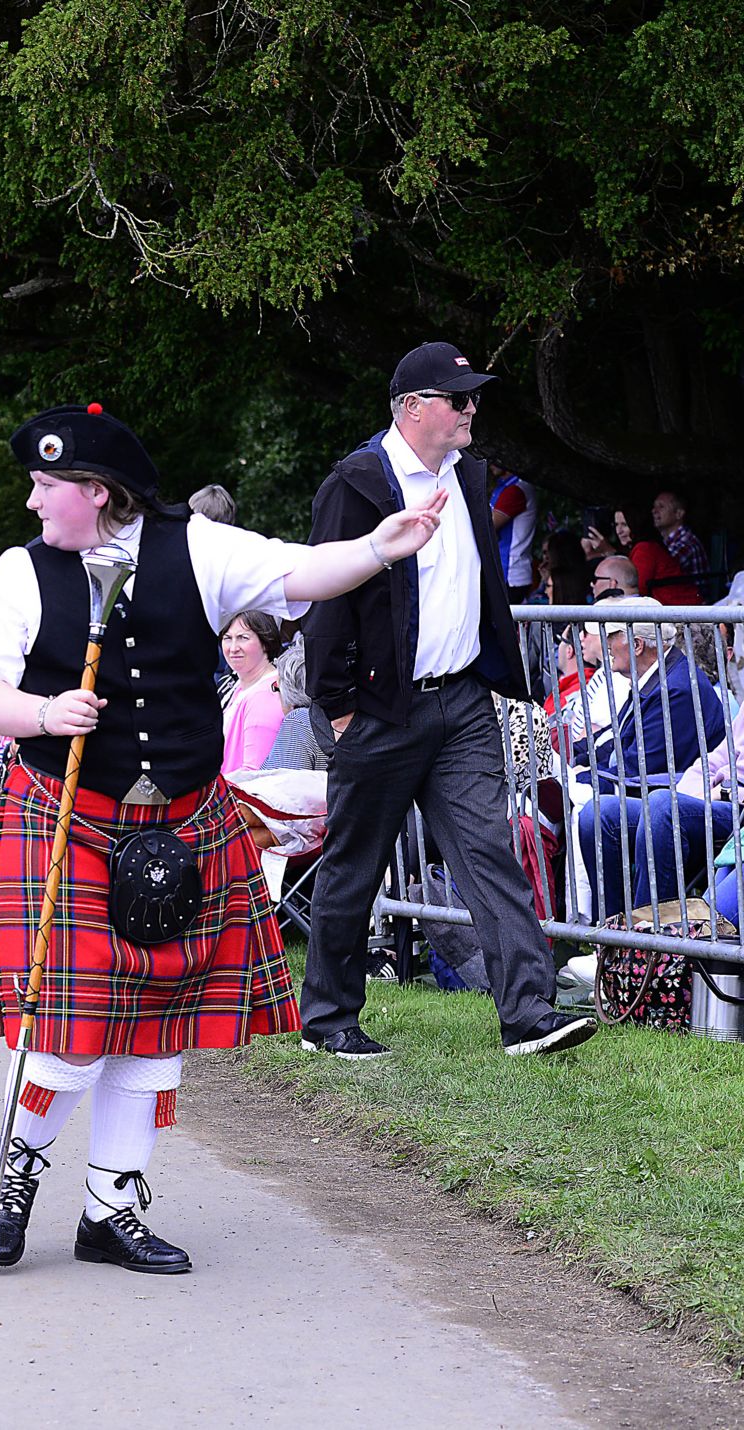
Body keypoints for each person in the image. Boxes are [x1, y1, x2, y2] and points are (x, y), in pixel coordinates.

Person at [0, 400, 449, 1272]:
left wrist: (380, 547)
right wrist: (40, 710)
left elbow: (300, 572)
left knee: (159, 1024)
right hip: (69, 814)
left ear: (96, 492)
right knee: (72, 1030)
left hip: (182, 820)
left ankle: (110, 1209)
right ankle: (18, 1170)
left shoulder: (199, 548)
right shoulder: (20, 575)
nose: (30, 502)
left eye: (44, 486)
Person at [302, 342, 596, 1060]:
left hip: (461, 699)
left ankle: (529, 1015)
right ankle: (328, 1019)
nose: (472, 409)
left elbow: (478, 584)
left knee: (491, 851)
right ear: (413, 408)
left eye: (472, 397)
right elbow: (324, 594)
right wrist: (338, 706)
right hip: (376, 710)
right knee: (356, 862)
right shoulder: (357, 482)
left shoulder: (470, 474)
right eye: (457, 398)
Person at [572, 596, 727, 917]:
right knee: (596, 814)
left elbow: (639, 765)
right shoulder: (656, 677)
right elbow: (619, 745)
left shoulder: (678, 688)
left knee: (657, 807)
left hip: (698, 806)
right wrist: (577, 762)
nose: (604, 645)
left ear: (638, 644)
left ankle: (647, 948)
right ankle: (612, 939)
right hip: (680, 793)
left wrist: (580, 776)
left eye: (610, 637)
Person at [584, 506, 694, 606]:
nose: (619, 531)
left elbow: (636, 590)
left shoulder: (645, 548)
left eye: (625, 525)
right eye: (616, 524)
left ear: (635, 525)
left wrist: (612, 553)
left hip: (681, 615)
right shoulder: (639, 547)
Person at [219, 611, 285, 773]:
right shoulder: (240, 686)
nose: (233, 648)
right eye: (228, 638)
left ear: (265, 642)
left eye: (243, 638)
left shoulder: (265, 696)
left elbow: (254, 773)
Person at [488, 463, 538, 603]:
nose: (490, 464)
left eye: (494, 459)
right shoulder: (504, 486)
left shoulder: (516, 489)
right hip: (504, 569)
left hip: (511, 572)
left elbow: (486, 527)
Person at [653, 490, 710, 596]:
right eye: (654, 506)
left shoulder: (686, 544)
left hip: (695, 607)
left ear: (679, 514)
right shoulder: (669, 542)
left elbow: (659, 570)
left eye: (661, 507)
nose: (654, 511)